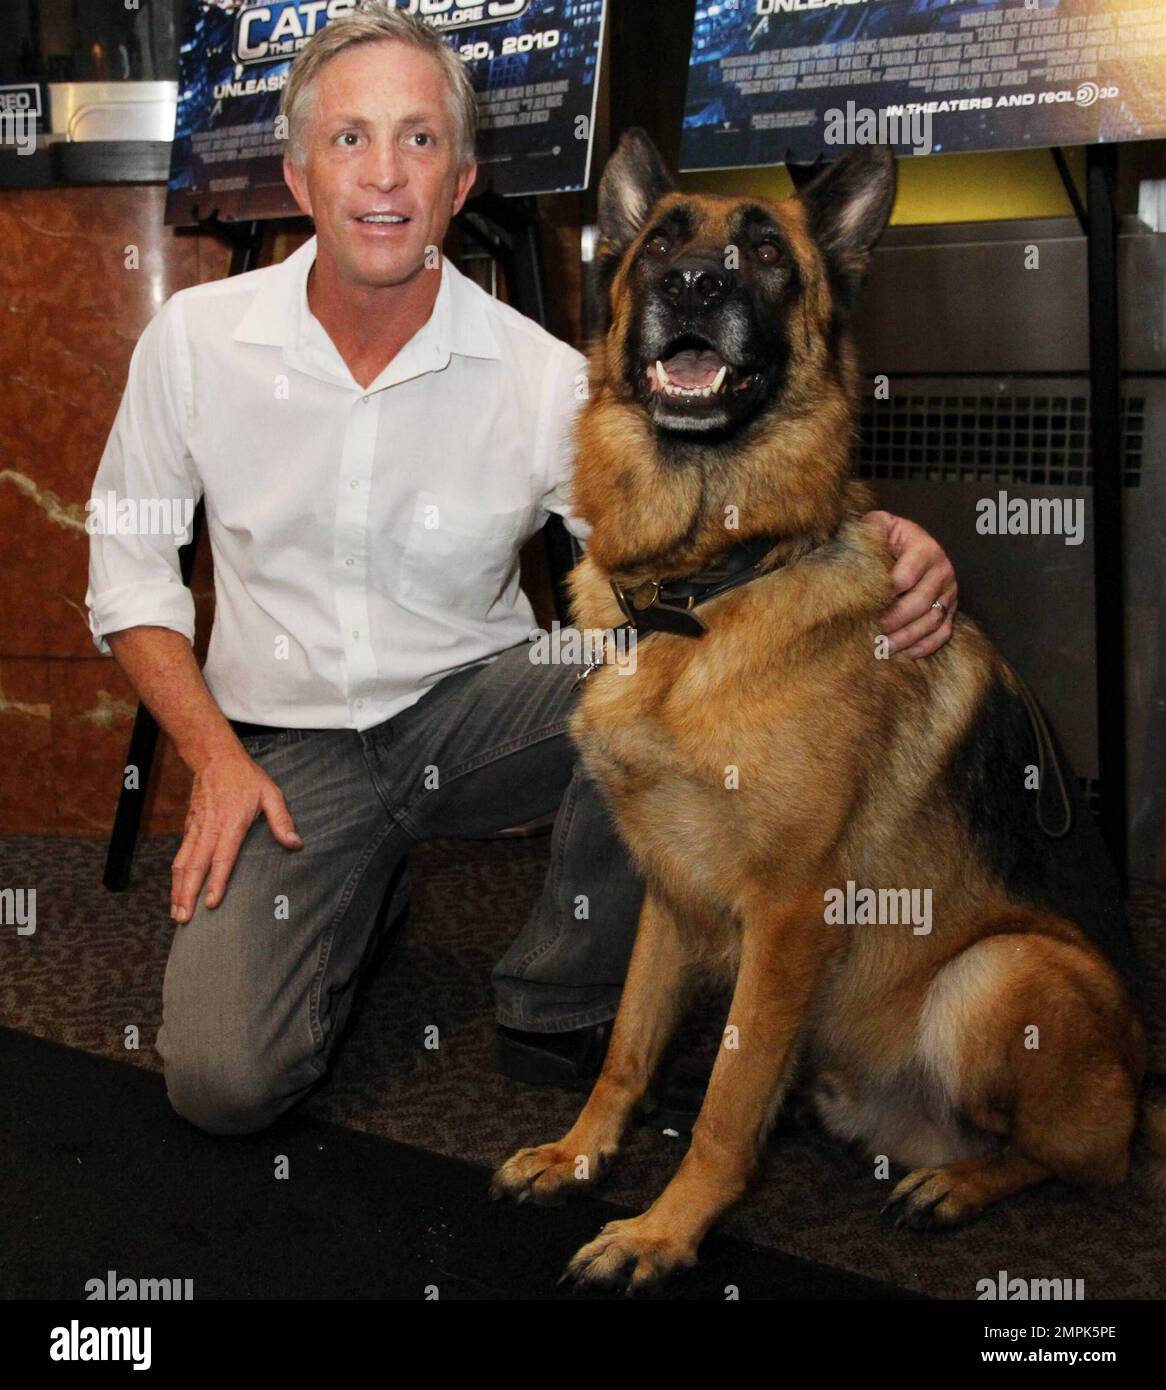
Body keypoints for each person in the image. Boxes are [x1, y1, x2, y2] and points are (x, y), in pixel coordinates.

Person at [85, 5, 958, 1135]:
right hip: (285, 752)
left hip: (480, 715)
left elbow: (706, 547)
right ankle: (363, 888)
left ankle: (560, 991)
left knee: (651, 662)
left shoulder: (550, 379)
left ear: (461, 180)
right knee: (223, 1087)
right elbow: (128, 573)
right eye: (348, 140)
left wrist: (879, 540)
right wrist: (212, 760)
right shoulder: (193, 342)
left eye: (418, 139)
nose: (384, 174)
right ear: (299, 175)